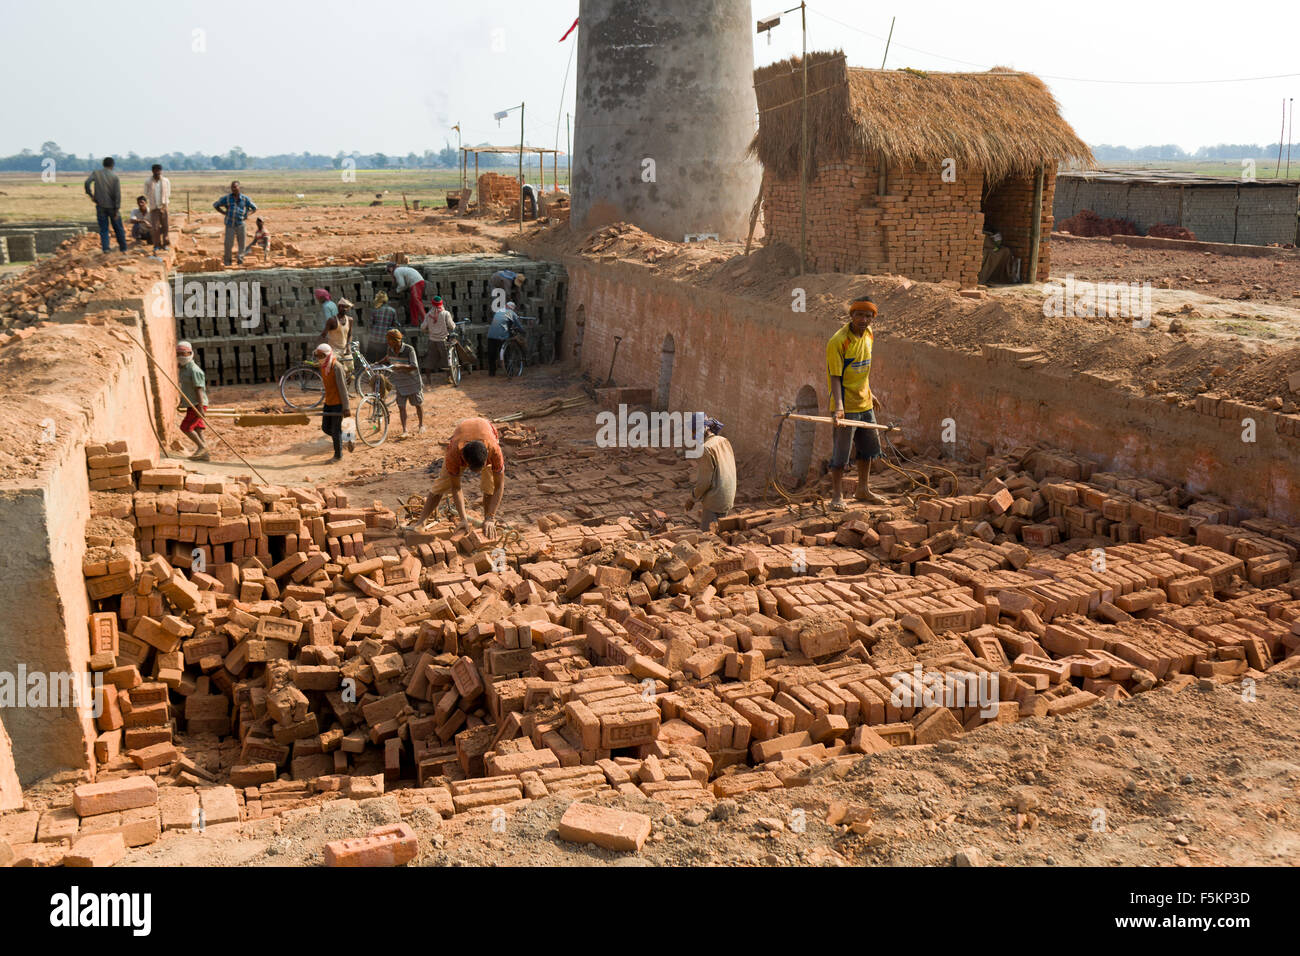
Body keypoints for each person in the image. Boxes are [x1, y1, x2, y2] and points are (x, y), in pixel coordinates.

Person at [826, 297, 887, 510]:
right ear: (851, 316)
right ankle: (836, 496)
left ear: (873, 319)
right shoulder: (838, 341)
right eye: (859, 315)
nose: (863, 319)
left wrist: (871, 394)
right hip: (846, 405)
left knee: (868, 449)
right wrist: (839, 408)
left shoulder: (869, 335)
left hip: (865, 403)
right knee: (841, 454)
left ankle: (863, 489)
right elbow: (836, 377)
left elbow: (862, 369)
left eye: (868, 316)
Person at [414, 417, 506, 539]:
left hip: (485, 429)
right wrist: (463, 519)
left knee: (490, 486)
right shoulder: (454, 454)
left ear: (485, 462)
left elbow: (499, 486)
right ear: (465, 462)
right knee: (441, 485)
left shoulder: (494, 451)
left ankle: (487, 521)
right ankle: (420, 523)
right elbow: (456, 488)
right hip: (462, 436)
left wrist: (491, 517)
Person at [687, 416, 735, 531]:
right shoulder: (723, 440)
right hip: (728, 495)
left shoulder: (706, 449)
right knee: (721, 531)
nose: (693, 437)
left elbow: (704, 482)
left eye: (694, 432)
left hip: (715, 498)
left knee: (708, 537)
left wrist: (692, 499)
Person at [316, 344, 352, 462]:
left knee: (335, 430)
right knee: (325, 428)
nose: (319, 358)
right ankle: (346, 438)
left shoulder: (336, 367)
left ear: (327, 355)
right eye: (317, 355)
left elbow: (343, 388)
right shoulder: (323, 366)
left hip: (338, 403)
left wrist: (346, 407)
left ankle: (338, 455)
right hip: (329, 401)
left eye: (321, 355)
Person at [175, 342, 210, 461]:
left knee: (186, 427)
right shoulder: (184, 369)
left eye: (183, 354)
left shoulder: (194, 370)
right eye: (178, 354)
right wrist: (182, 402)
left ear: (190, 353)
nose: (181, 357)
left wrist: (200, 407)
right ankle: (204, 455)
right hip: (191, 404)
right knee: (197, 428)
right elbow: (185, 388)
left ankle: (202, 447)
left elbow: (198, 389)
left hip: (197, 404)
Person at [385, 329, 424, 435]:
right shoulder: (390, 349)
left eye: (389, 340)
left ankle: (421, 425)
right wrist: (377, 363)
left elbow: (414, 366)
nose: (388, 342)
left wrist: (399, 366)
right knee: (401, 407)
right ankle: (405, 430)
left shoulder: (409, 349)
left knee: (418, 404)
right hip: (399, 382)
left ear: (396, 340)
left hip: (412, 382)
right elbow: (388, 358)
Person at [84, 157, 127, 254]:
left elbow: (87, 183)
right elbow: (117, 194)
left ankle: (106, 249)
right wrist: (117, 209)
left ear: (103, 164)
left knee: (104, 228)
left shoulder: (96, 173)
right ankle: (123, 248)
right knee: (118, 228)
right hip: (112, 206)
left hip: (100, 205)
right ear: (112, 165)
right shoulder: (115, 177)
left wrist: (91, 195)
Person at [213, 180, 257, 266]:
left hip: (241, 223)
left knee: (242, 243)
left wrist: (248, 214)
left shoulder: (245, 199)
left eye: (235, 187)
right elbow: (216, 205)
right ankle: (227, 262)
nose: (233, 189)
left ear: (239, 188)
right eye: (232, 187)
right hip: (230, 224)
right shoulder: (227, 198)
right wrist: (224, 213)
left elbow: (254, 208)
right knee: (228, 244)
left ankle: (240, 260)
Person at [420, 294, 456, 374]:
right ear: (441, 303)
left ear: (432, 304)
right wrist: (453, 326)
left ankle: (428, 379)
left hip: (432, 340)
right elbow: (451, 326)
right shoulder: (446, 313)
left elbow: (422, 327)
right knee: (446, 360)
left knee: (430, 359)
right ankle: (449, 377)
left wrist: (428, 331)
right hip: (443, 341)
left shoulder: (428, 314)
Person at [487, 301, 520, 377]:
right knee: (506, 352)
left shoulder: (498, 311)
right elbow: (518, 325)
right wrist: (523, 331)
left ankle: (491, 372)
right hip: (501, 336)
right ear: (512, 308)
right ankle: (509, 371)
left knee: (492, 354)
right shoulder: (511, 313)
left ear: (506, 306)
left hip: (491, 335)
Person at [388, 263, 426, 327]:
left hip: (416, 282)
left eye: (388, 271)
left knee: (417, 301)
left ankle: (426, 321)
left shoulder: (396, 271)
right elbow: (404, 285)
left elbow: (402, 285)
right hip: (416, 283)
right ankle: (415, 323)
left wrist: (396, 291)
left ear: (391, 268)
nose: (389, 274)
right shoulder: (400, 270)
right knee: (412, 304)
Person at [144, 164, 171, 251]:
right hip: (154, 207)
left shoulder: (165, 181)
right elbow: (146, 193)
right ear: (152, 171)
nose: (157, 172)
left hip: (163, 206)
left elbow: (168, 193)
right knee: (155, 228)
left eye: (158, 170)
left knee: (165, 226)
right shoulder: (148, 181)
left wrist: (164, 203)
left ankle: (165, 244)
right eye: (155, 170)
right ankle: (157, 245)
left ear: (161, 171)